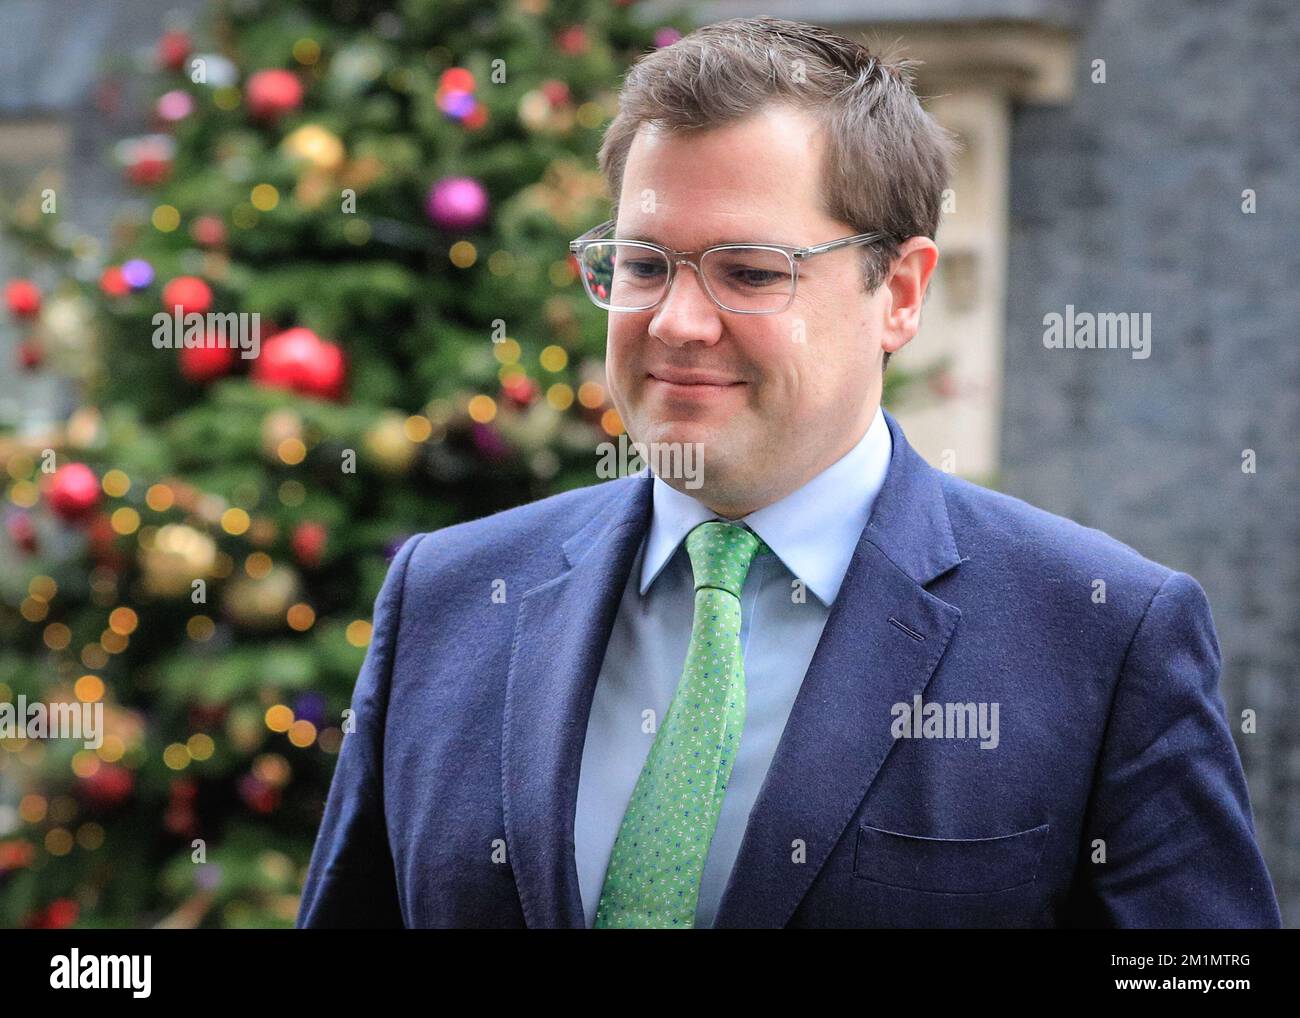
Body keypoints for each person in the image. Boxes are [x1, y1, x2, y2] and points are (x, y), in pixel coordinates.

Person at [297, 16, 1281, 928]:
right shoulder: (448, 597)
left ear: (898, 292)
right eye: (642, 265)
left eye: (751, 271)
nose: (677, 322)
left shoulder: (1104, 635)